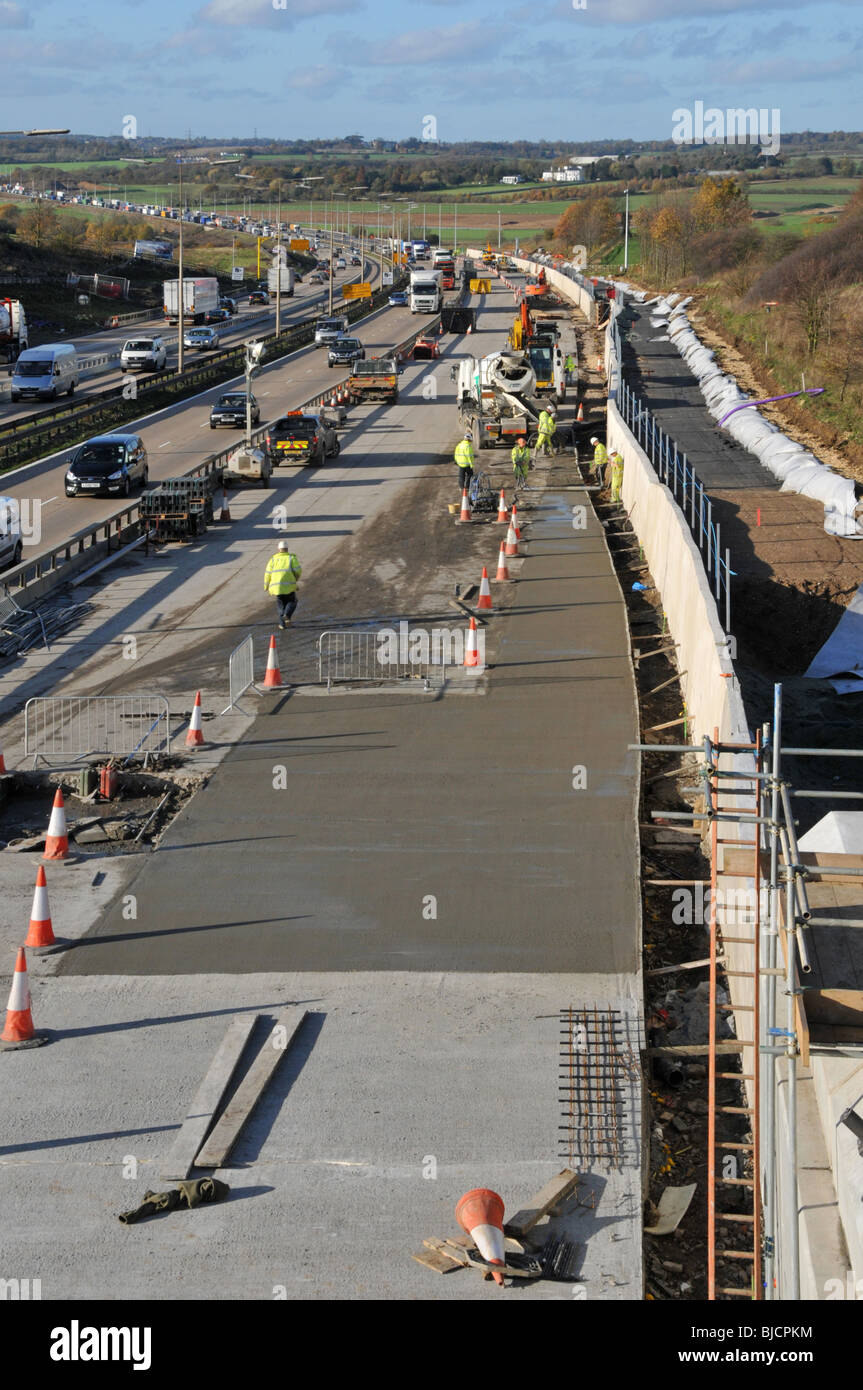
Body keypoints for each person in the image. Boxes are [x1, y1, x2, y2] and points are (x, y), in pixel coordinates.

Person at [264, 539, 302, 629]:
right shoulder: (291, 558)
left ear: (278, 549)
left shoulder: (273, 560)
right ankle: (287, 615)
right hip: (289, 586)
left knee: (281, 605)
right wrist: (296, 579)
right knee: (292, 601)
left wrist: (266, 586)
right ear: (287, 549)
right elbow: (298, 571)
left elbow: (267, 574)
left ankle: (282, 625)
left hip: (276, 588)